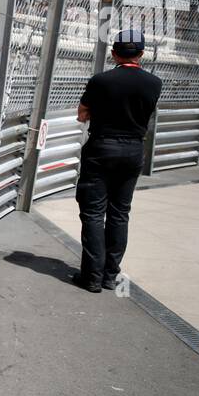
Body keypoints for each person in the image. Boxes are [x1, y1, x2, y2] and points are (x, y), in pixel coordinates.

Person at [72, 28, 163, 292]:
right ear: (142, 54)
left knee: (92, 213)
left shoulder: (101, 80)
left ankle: (91, 277)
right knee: (119, 214)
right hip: (133, 150)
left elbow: (82, 114)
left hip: (102, 147)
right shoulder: (154, 83)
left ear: (114, 53)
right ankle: (110, 275)